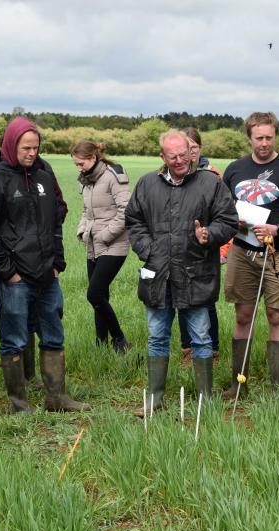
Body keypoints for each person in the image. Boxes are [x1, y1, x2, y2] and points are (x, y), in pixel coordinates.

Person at [0, 117, 89, 414]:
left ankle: (56, 398)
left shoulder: (43, 175)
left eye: (36, 148)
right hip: (15, 277)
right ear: (12, 146)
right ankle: (19, 404)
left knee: (53, 334)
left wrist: (57, 263)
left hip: (47, 274)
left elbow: (54, 221)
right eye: (26, 148)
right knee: (14, 338)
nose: (32, 153)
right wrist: (7, 271)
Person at [125, 129, 238, 413]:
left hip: (196, 273)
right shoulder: (147, 184)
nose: (179, 161)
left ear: (192, 152)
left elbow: (229, 220)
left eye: (183, 154)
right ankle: (155, 397)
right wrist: (148, 250)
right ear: (162, 156)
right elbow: (133, 220)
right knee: (157, 336)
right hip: (157, 274)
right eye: (172, 156)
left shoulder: (210, 184)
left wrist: (209, 235)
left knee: (201, 336)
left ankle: (205, 399)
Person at [222, 112, 279, 398]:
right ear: (249, 137)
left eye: (269, 137)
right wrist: (231, 222)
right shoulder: (235, 169)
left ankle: (277, 388)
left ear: (275, 136)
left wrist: (278, 229)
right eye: (258, 137)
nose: (264, 143)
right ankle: (239, 384)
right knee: (243, 314)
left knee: (276, 315)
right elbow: (223, 210)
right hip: (242, 251)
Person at [71, 140, 131, 353]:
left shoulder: (113, 176)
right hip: (93, 244)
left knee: (94, 294)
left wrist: (105, 235)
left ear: (93, 158)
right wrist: (82, 229)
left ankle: (120, 339)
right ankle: (100, 343)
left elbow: (127, 210)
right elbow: (86, 211)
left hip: (114, 244)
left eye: (81, 164)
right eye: (76, 165)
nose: (79, 168)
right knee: (100, 295)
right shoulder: (86, 180)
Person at [179, 127, 228, 364]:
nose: (189, 153)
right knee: (181, 297)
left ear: (200, 149)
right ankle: (187, 348)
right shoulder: (175, 175)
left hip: (206, 248)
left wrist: (222, 248)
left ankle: (212, 347)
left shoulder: (213, 176)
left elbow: (226, 216)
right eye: (185, 148)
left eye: (194, 148)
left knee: (205, 299)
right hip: (180, 250)